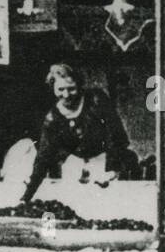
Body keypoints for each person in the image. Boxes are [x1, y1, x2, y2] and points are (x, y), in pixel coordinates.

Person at [22, 63, 131, 202]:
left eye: (71, 89)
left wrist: (112, 170)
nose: (66, 95)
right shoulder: (52, 118)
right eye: (60, 89)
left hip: (104, 162)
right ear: (53, 88)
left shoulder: (96, 101)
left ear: (79, 86)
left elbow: (116, 136)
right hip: (74, 165)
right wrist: (27, 196)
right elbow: (43, 157)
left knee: (106, 203)